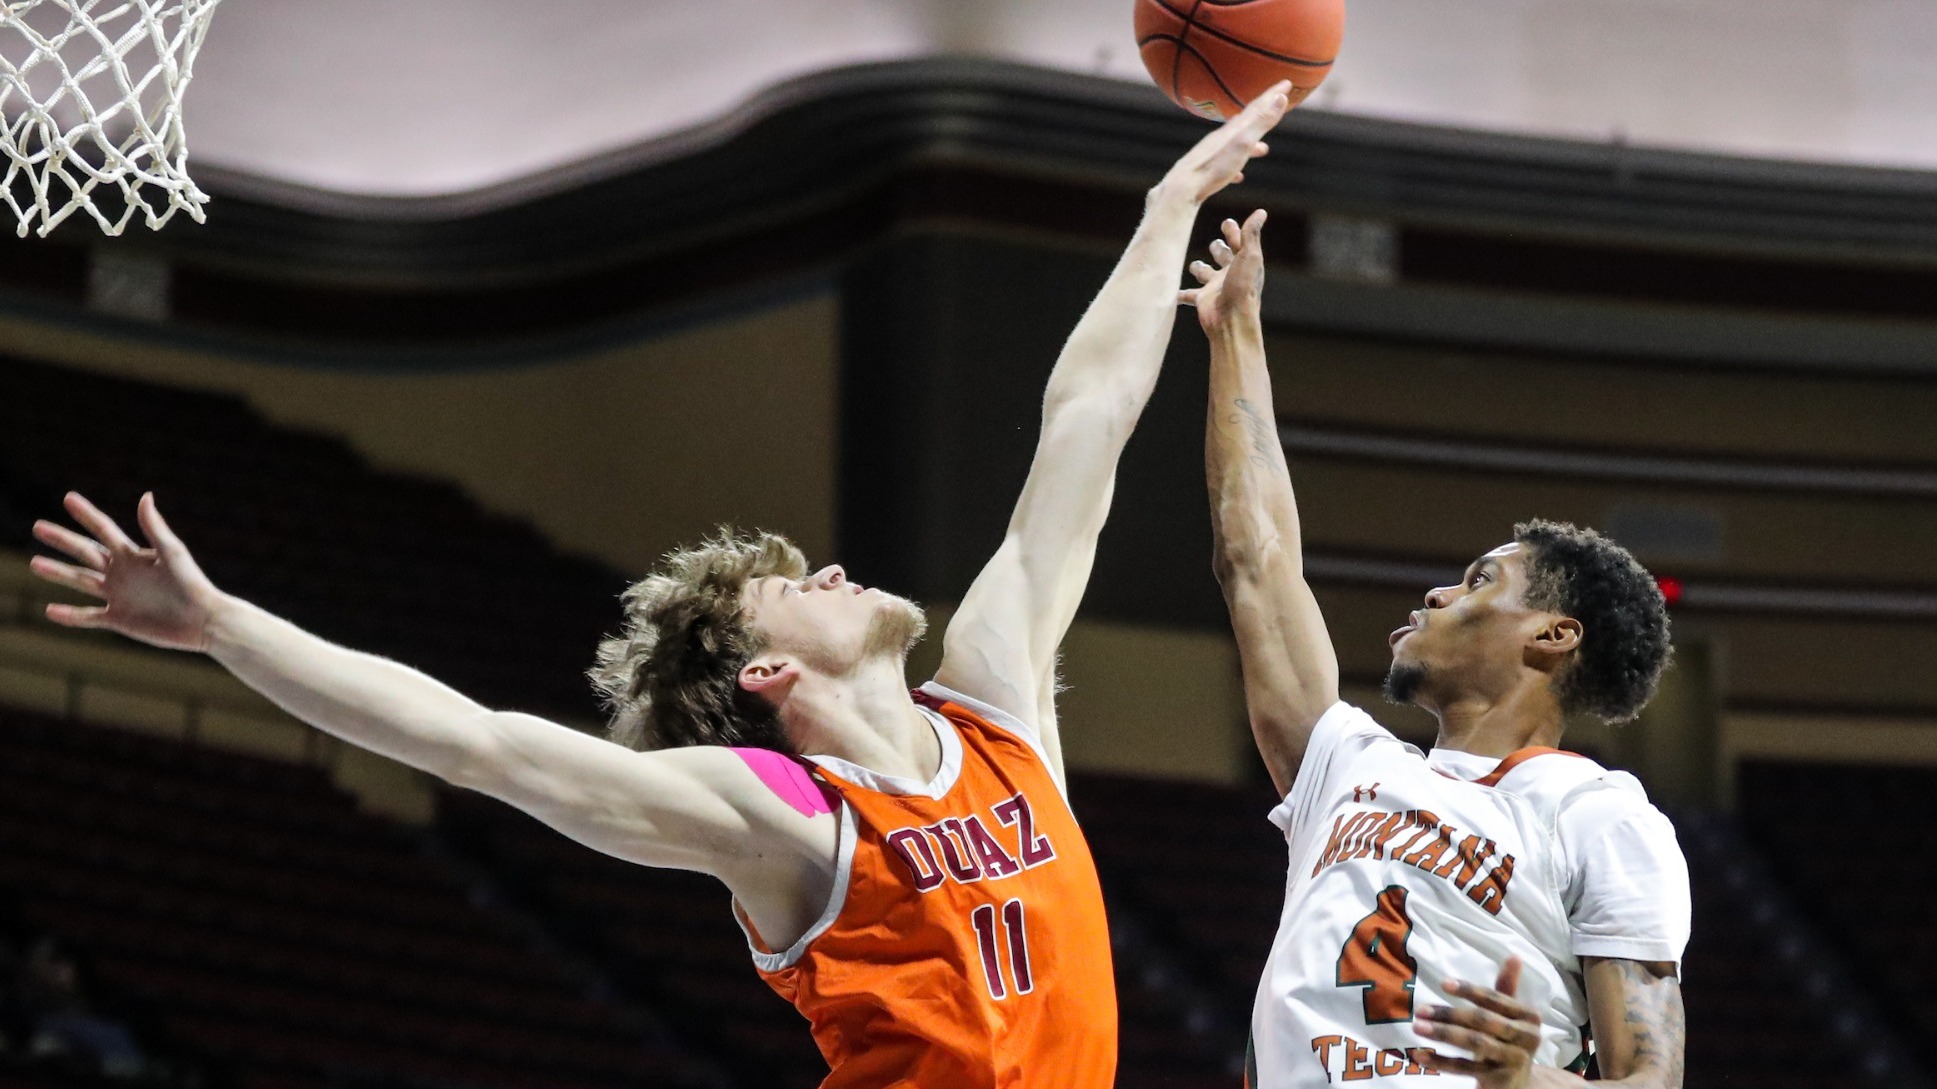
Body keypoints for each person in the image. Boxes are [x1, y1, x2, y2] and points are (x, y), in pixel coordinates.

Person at [27, 82, 1296, 1089]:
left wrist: (1165, 205)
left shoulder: (997, 708)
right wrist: (220, 625)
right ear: (766, 673)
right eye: (798, 586)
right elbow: (474, 744)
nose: (838, 566)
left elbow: (1083, 418)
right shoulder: (780, 818)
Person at [1185, 212, 1688, 1088]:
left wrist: (1527, 1077)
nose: (1437, 594)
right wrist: (1237, 331)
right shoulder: (1346, 763)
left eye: (1479, 580)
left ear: (1552, 634)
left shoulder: (1600, 814)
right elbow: (1253, 556)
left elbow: (1650, 1082)